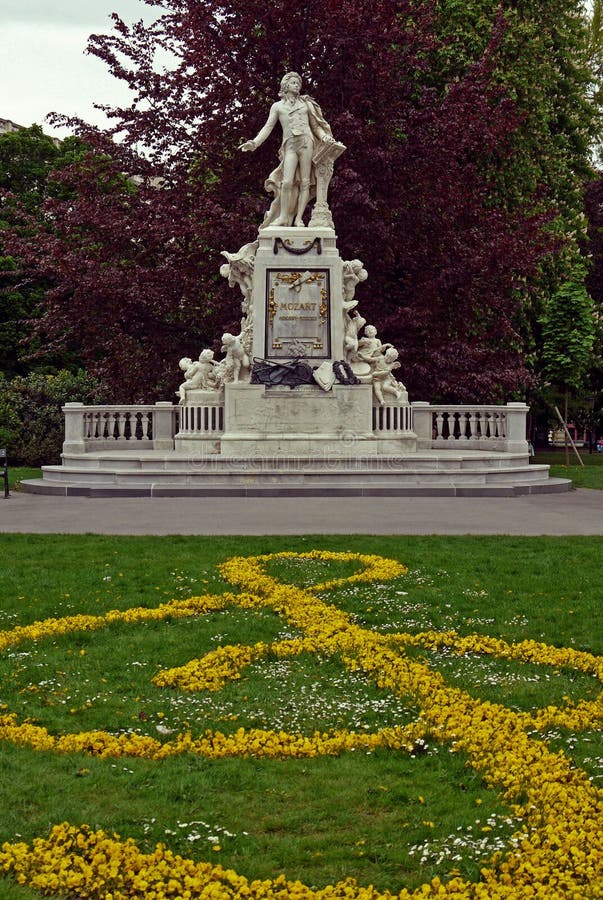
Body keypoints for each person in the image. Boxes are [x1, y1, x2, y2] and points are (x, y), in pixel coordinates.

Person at [239, 72, 337, 227]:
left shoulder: (306, 104)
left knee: (305, 182)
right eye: (293, 82)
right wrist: (255, 143)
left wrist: (324, 137)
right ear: (285, 85)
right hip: (290, 146)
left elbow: (316, 126)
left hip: (306, 143)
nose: (297, 85)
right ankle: (284, 217)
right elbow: (268, 127)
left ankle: (298, 218)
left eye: (298, 83)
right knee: (286, 182)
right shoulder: (277, 107)